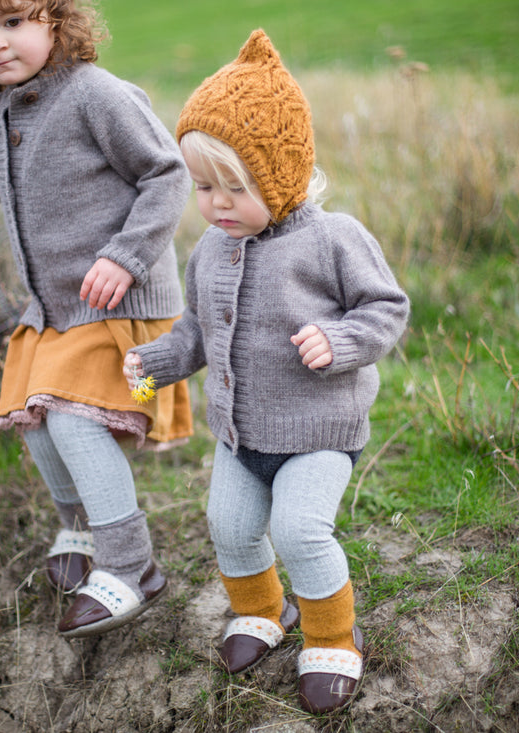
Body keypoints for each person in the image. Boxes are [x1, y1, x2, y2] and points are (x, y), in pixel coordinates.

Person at [0, 0, 192, 639]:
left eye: (14, 21)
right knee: (38, 424)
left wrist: (126, 256)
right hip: (56, 313)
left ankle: (131, 566)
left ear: (55, 17)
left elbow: (167, 173)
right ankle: (81, 528)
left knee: (75, 421)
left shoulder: (95, 95)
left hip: (122, 309)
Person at [123, 30, 409, 714]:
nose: (217, 203)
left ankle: (333, 636)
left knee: (299, 530)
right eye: (203, 187)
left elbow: (386, 308)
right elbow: (199, 331)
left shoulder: (332, 239)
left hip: (317, 432)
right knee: (228, 524)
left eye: (236, 187)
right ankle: (262, 610)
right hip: (240, 436)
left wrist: (340, 340)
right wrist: (153, 365)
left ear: (282, 176)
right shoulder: (210, 250)